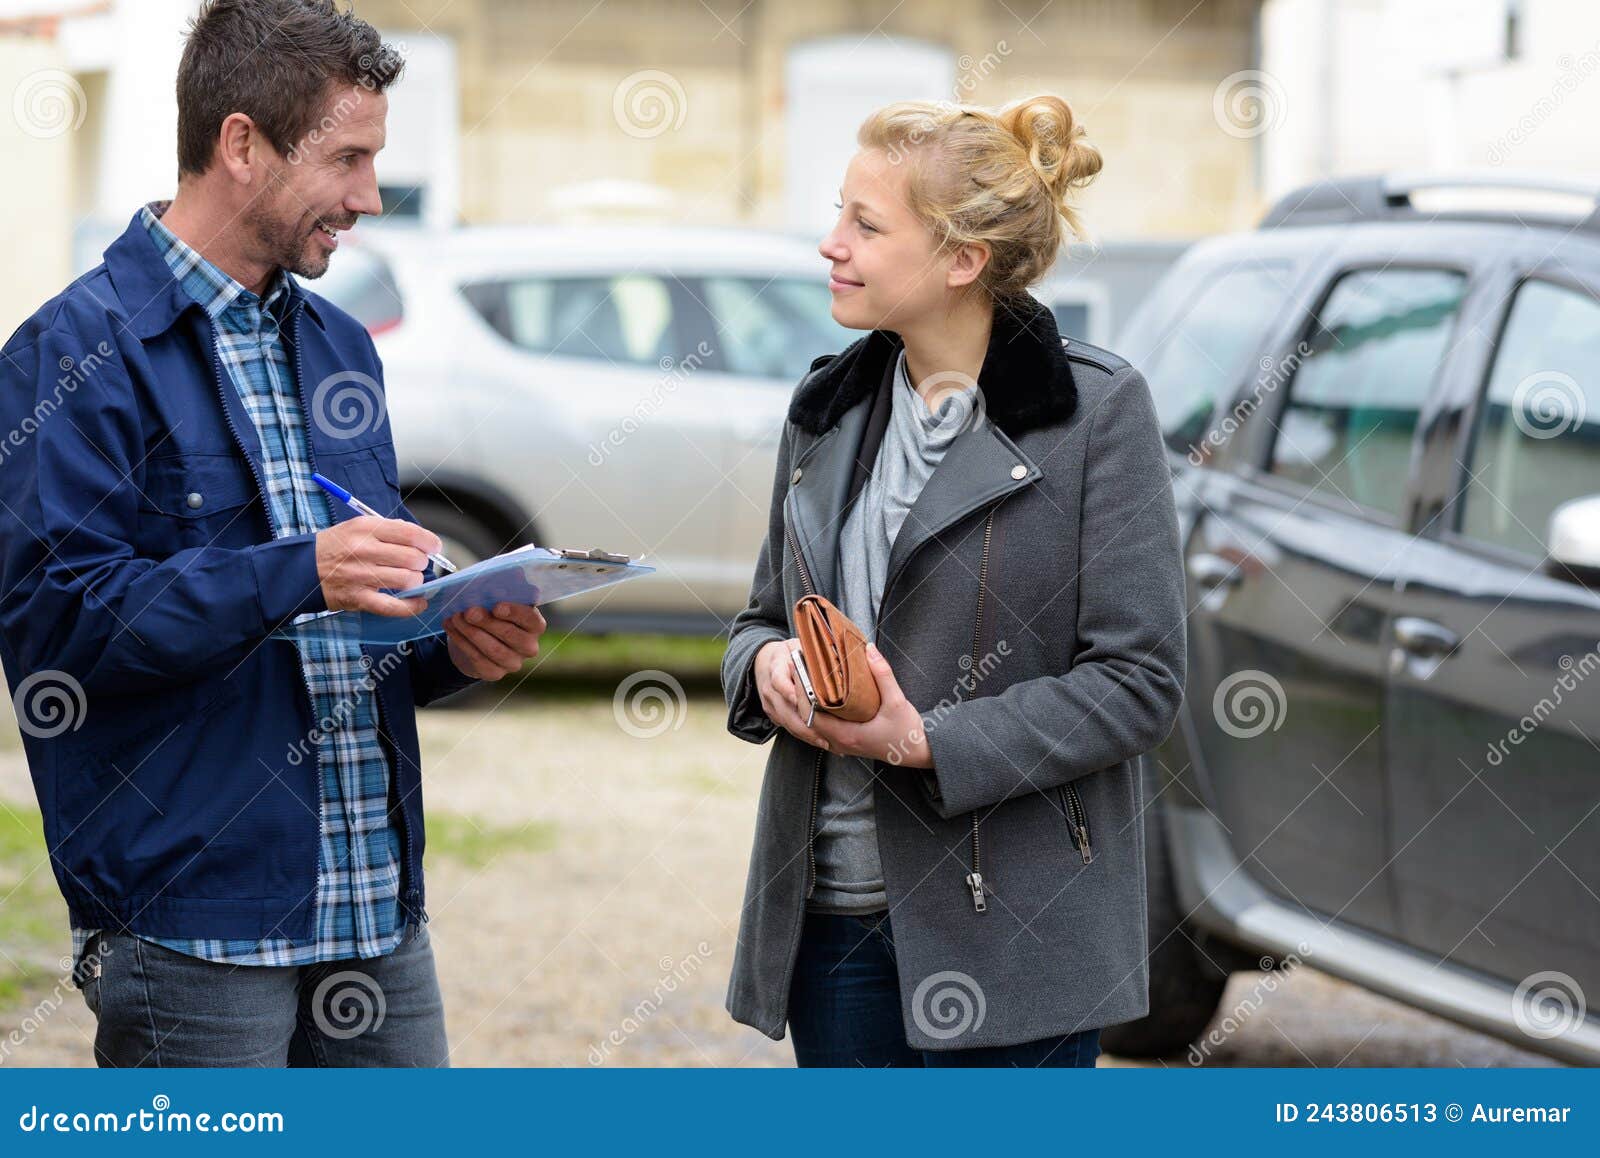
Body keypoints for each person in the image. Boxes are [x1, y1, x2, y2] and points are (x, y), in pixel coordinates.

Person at [0, 0, 544, 1067]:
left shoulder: (342, 349)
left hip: (377, 914)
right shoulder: (70, 354)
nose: (368, 197)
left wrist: (447, 642)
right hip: (190, 924)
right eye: (347, 159)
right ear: (241, 143)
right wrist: (297, 571)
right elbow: (53, 630)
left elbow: (345, 614)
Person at [719, 94, 1187, 1066]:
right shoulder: (826, 407)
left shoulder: (1097, 413)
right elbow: (762, 618)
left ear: (960, 260)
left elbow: (1138, 681)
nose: (828, 244)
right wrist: (763, 668)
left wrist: (928, 741)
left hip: (1014, 927)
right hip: (831, 913)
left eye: (864, 223)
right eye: (837, 213)